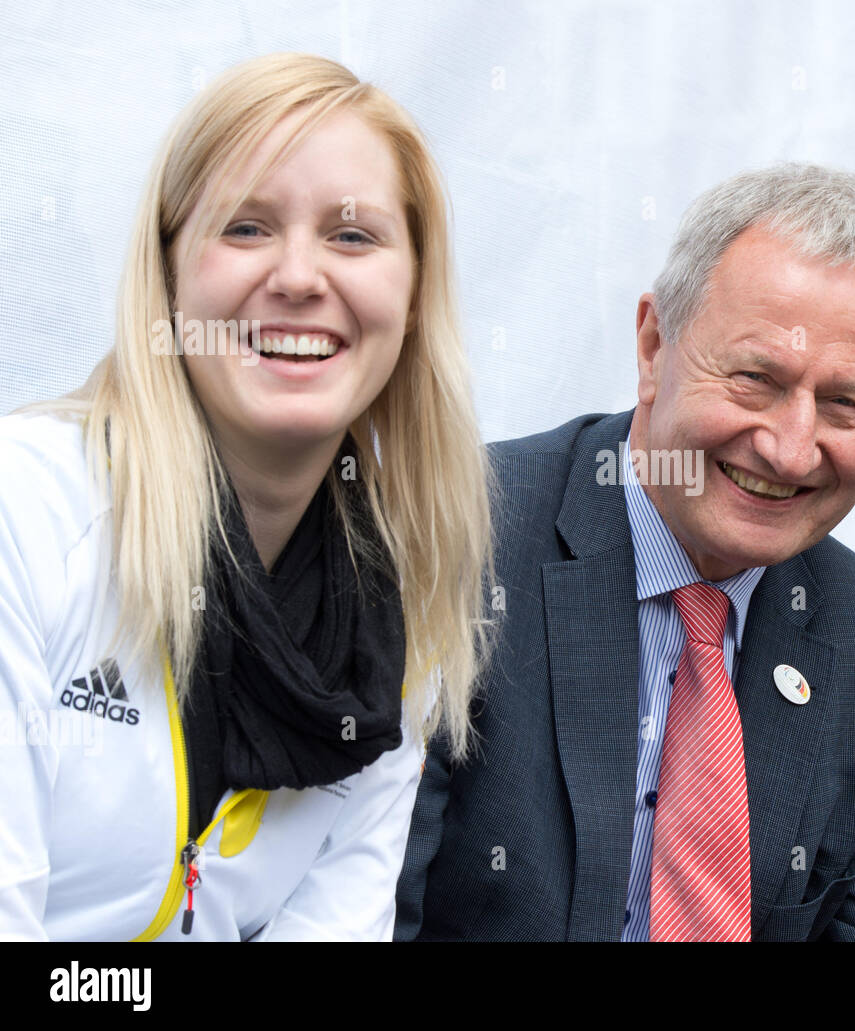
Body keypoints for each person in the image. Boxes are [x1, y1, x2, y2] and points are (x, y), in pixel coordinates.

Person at [0, 52, 492, 940]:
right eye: (246, 228)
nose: (300, 277)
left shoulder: (400, 609)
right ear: (170, 275)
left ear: (414, 294)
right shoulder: (25, 513)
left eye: (352, 236)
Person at [396, 163, 855, 941]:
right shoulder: (454, 537)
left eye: (845, 403)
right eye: (757, 378)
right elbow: (367, 908)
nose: (792, 451)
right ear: (655, 345)